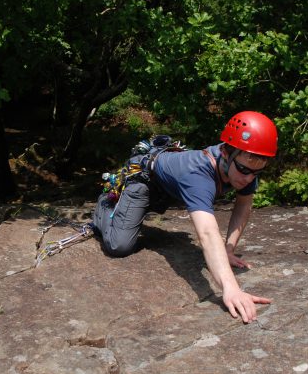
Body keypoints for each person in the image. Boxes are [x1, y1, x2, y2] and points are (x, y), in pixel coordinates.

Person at [93, 111, 277, 324]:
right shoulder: (198, 175)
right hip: (143, 180)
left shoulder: (245, 163)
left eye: (257, 172)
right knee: (119, 246)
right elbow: (207, 233)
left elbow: (244, 204)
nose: (249, 178)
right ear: (226, 153)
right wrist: (231, 289)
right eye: (244, 170)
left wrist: (229, 249)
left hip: (168, 190)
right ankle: (105, 206)